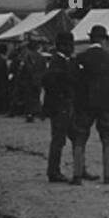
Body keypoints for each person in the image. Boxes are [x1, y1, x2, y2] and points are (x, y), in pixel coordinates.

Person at [71, 24, 109, 185]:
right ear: (104, 40)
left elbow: (75, 82)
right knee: (107, 138)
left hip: (85, 104)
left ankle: (77, 174)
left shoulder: (80, 57)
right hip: (106, 104)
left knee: (80, 138)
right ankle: (108, 174)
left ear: (90, 39)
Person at [42, 31, 78, 183]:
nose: (72, 48)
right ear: (63, 46)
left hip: (63, 105)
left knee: (74, 137)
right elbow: (52, 82)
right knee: (59, 139)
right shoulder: (58, 63)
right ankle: (54, 171)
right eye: (70, 45)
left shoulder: (59, 61)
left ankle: (78, 168)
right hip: (61, 106)